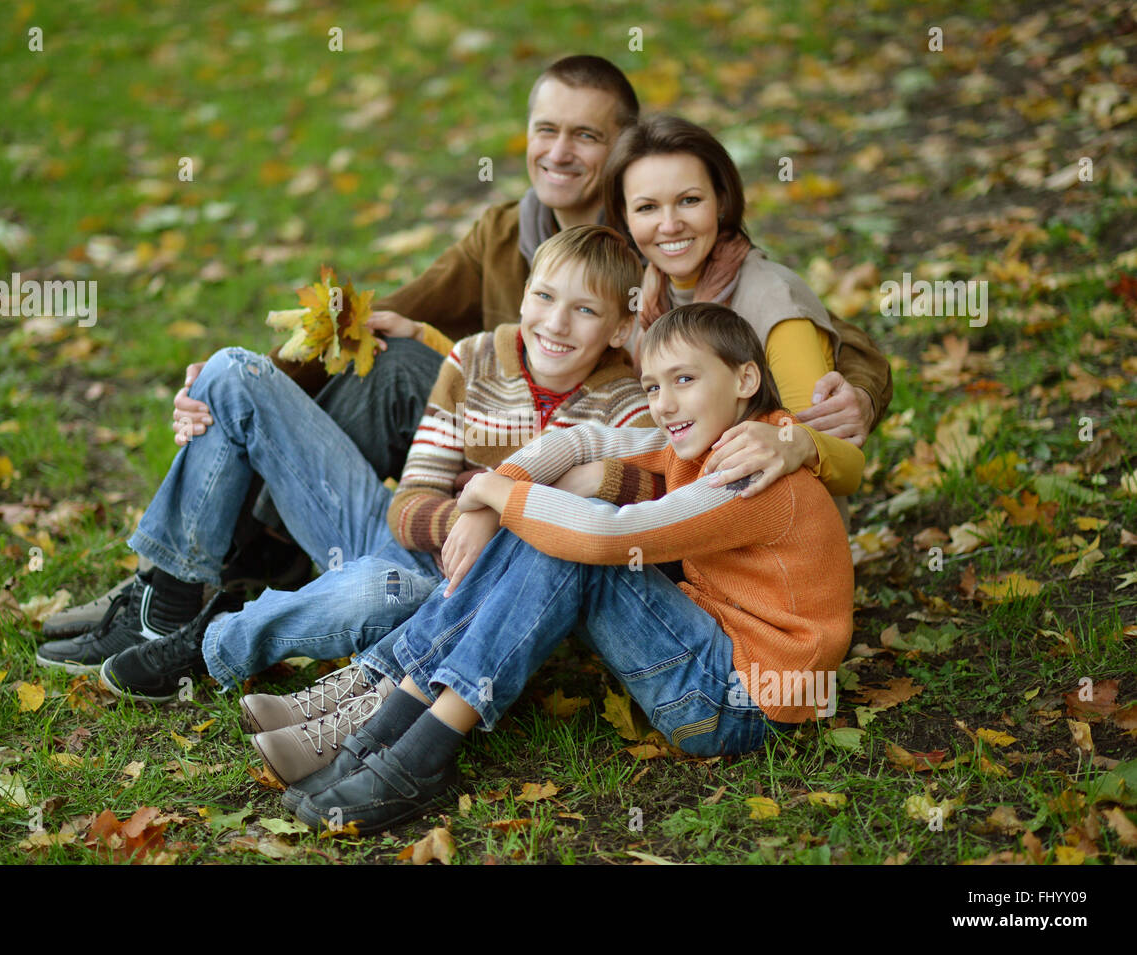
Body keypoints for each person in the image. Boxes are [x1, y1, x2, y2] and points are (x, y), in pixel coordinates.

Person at [44, 55, 892, 636]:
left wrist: (838, 403)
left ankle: (227, 572)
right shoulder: (505, 229)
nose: (560, 152)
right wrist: (248, 383)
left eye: (588, 137)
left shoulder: (659, 242)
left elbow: (807, 331)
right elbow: (378, 314)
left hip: (590, 472)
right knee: (381, 363)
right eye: (546, 129)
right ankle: (203, 568)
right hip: (495, 444)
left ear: (623, 154)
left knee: (404, 368)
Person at [33, 227, 653, 733]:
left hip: (456, 597)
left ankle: (214, 640)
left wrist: (498, 504)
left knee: (378, 593)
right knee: (232, 371)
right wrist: (468, 512)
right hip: (397, 540)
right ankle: (169, 596)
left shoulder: (626, 404)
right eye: (544, 298)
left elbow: (638, 499)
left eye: (585, 310)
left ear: (620, 329)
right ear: (523, 298)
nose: (557, 323)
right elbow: (409, 504)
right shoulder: (476, 359)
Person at [290, 303, 856, 833]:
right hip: (713, 647)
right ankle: (391, 729)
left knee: (574, 538)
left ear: (745, 380)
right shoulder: (694, 437)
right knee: (549, 525)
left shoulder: (748, 472)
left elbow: (612, 535)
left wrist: (495, 494)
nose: (664, 403)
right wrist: (505, 488)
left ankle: (418, 751)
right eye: (653, 387)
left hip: (740, 702)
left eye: (685, 379)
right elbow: (584, 439)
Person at [606, 113, 871, 518]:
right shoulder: (645, 301)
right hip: (690, 513)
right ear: (625, 218)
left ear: (723, 201)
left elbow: (848, 469)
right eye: (646, 208)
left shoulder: (772, 302)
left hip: (780, 543)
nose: (670, 224)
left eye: (689, 200)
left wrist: (799, 442)